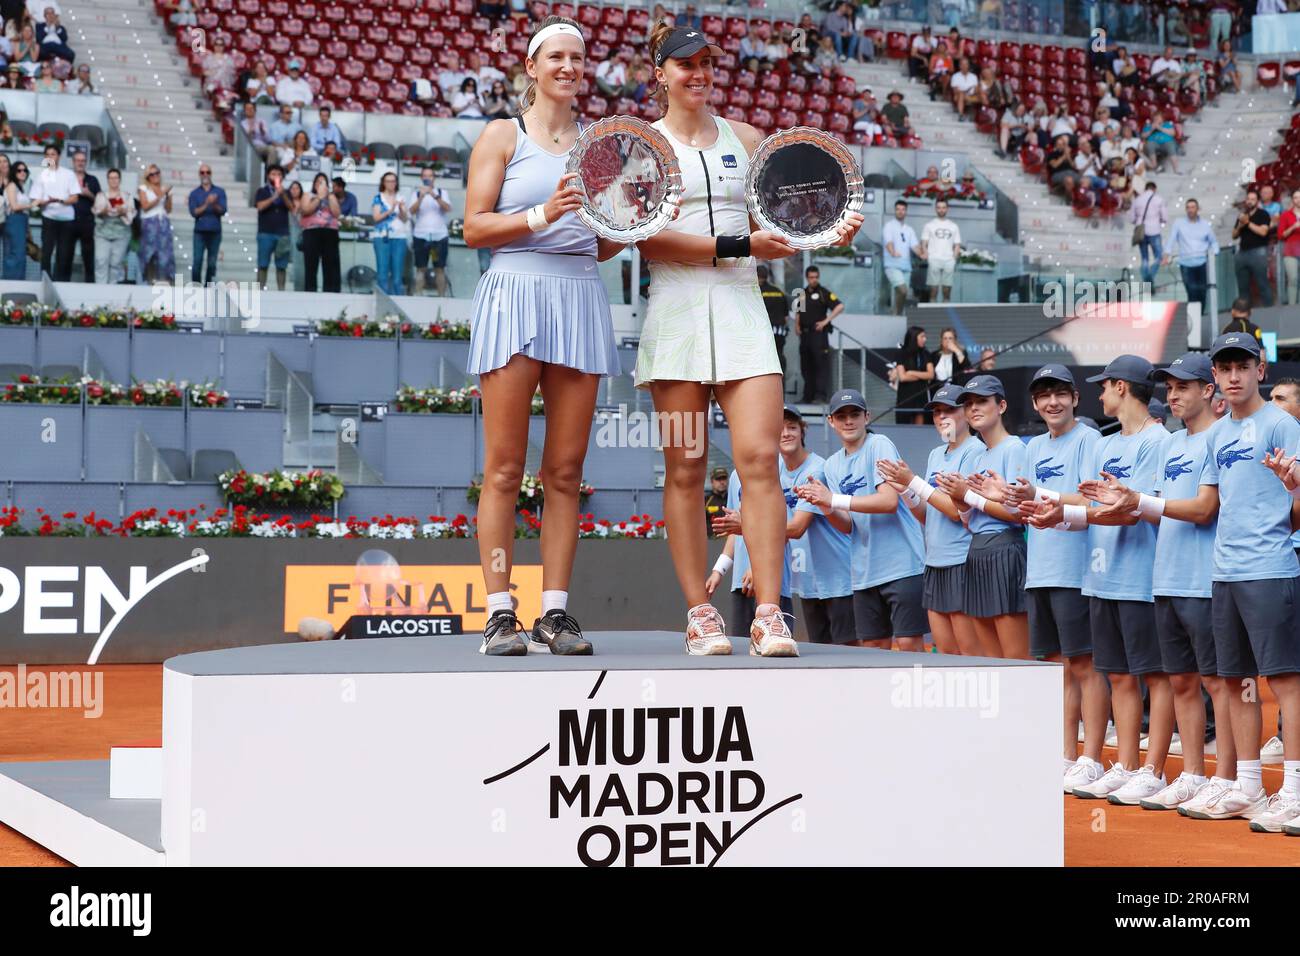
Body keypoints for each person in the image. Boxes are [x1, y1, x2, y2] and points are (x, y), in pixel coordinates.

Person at [634, 24, 859, 658]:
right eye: (685, 65)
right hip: (675, 321)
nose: (698, 74)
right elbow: (643, 237)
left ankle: (767, 614)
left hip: (742, 314)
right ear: (661, 74)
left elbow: (780, 224)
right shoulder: (643, 146)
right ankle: (700, 613)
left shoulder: (750, 140)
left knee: (759, 461)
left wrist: (828, 231)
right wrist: (739, 245)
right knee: (685, 468)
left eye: (707, 63)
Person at [462, 15, 624, 656]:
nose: (568, 67)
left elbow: (606, 244)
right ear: (531, 67)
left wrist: (626, 222)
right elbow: (474, 228)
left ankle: (554, 613)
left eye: (577, 58)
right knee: (503, 469)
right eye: (555, 57)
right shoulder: (502, 134)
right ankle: (500, 611)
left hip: (580, 293)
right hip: (515, 292)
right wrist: (542, 213)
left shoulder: (604, 148)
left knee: (565, 471)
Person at [1079, 353, 1233, 810]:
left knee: (1219, 684)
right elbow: (1145, 505)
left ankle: (1226, 777)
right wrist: (1118, 503)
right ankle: (1191, 773)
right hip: (1165, 579)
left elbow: (1205, 509)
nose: (1174, 394)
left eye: (1184, 386)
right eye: (1170, 387)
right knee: (1183, 682)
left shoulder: (1218, 439)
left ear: (1208, 390)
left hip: (1205, 579)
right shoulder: (1171, 445)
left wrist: (1141, 502)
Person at [1023, 356, 1170, 799]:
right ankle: (1123, 764)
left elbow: (1128, 511)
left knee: (1159, 677)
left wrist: (1062, 514)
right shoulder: (1109, 444)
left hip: (1141, 576)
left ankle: (1153, 769)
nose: (1099, 395)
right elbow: (1093, 502)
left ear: (1121, 387)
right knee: (1120, 675)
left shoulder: (1156, 441)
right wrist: (1048, 507)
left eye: (1103, 387)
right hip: (1101, 577)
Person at [989, 366, 1109, 790]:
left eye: (1060, 394)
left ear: (1076, 398)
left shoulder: (1090, 440)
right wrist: (1004, 498)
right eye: (1043, 396)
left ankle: (1092, 757)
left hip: (1077, 570)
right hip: (1039, 569)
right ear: (1036, 404)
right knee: (1058, 667)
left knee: (1087, 665)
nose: (1051, 403)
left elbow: (1090, 497)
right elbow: (1026, 504)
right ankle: (1066, 753)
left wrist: (1037, 495)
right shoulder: (1033, 446)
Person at [795, 389, 927, 652]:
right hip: (864, 572)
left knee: (908, 645)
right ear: (831, 422)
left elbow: (888, 502)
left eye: (854, 414)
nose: (848, 421)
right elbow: (846, 525)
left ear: (867, 417)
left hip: (903, 565)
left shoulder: (879, 444)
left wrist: (833, 500)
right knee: (873, 648)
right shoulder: (832, 465)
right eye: (841, 416)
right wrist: (825, 505)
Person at [878, 383, 983, 655]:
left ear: (966, 413)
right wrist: (905, 490)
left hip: (962, 561)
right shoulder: (936, 454)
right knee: (945, 655)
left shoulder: (975, 451)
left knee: (970, 657)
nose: (941, 417)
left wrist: (911, 480)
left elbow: (955, 511)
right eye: (937, 412)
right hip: (934, 562)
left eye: (949, 409)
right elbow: (927, 514)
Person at [928, 375, 1029, 659]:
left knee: (1015, 660)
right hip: (977, 552)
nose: (974, 408)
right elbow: (967, 519)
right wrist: (960, 498)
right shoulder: (978, 457)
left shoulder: (1015, 448)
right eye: (969, 403)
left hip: (1005, 549)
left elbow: (1019, 513)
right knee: (986, 661)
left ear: (1002, 406)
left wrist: (968, 496)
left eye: (982, 401)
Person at [778, 405, 854, 645]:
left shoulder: (816, 469)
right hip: (809, 582)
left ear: (802, 431)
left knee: (849, 655)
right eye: (779, 428)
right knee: (820, 654)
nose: (786, 433)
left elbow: (797, 527)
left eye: (792, 427)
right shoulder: (774, 470)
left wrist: (747, 526)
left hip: (839, 579)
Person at [708, 463, 795, 636]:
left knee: (777, 647)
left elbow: (781, 530)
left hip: (771, 582)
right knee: (743, 650)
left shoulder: (782, 468)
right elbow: (734, 532)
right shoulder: (735, 476)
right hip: (741, 584)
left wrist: (758, 568)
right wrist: (719, 569)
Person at [28, 143, 78, 280]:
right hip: (48, 217)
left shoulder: (68, 174)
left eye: (53, 154)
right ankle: (45, 280)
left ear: (59, 156)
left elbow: (74, 197)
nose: (50, 157)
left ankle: (60, 282)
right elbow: (35, 199)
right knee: (47, 252)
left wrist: (61, 200)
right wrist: (46, 201)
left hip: (67, 219)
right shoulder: (41, 175)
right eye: (48, 154)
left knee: (63, 253)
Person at [795, 264, 841, 405]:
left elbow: (839, 306)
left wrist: (825, 321)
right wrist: (797, 325)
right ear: (807, 278)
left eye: (815, 277)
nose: (813, 280)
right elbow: (799, 311)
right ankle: (807, 396)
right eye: (811, 277)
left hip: (818, 334)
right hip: (805, 334)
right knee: (806, 365)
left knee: (820, 365)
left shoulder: (823, 292)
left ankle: (820, 396)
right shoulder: (802, 293)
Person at [1164, 197, 1218, 315]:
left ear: (1197, 209)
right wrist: (1166, 255)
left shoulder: (1205, 224)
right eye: (1188, 208)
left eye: (1193, 207)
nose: (1190, 210)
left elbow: (1213, 241)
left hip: (1202, 263)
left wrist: (1215, 252)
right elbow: (1171, 240)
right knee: (1192, 293)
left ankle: (1200, 317)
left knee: (1202, 292)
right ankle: (1194, 319)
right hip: (1186, 264)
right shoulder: (1179, 223)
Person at [409, 164, 451, 296]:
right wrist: (421, 196)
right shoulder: (416, 193)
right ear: (421, 178)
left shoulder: (442, 192)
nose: (427, 178)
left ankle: (441, 299)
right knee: (420, 268)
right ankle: (418, 296)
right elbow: (411, 211)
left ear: (434, 178)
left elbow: (447, 209)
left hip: (439, 236)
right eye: (425, 176)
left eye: (430, 176)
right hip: (421, 235)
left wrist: (434, 195)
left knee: (440, 268)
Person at [299, 171, 340, 292]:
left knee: (330, 264)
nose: (321, 184)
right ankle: (310, 290)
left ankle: (331, 291)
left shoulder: (332, 196)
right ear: (314, 184)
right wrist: (319, 198)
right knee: (311, 263)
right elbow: (305, 210)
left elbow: (337, 213)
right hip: (312, 231)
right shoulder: (308, 195)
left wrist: (330, 197)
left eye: (323, 182)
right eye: (318, 182)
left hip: (330, 232)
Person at [1233, 187, 1274, 308]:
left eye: (1253, 199)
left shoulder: (1263, 214)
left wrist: (1248, 223)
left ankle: (1269, 311)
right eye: (1248, 199)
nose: (1250, 201)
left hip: (1258, 252)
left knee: (1263, 284)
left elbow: (1263, 232)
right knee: (1243, 287)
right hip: (1242, 253)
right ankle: (1244, 314)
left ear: (1257, 201)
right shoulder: (1242, 216)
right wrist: (1240, 225)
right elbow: (1234, 235)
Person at [370, 170, 409, 295]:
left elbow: (405, 219)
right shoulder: (378, 198)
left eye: (393, 181)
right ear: (383, 183)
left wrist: (402, 209)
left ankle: (398, 306)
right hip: (382, 237)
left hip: (399, 237)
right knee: (383, 273)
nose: (391, 184)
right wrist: (391, 209)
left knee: (397, 274)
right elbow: (376, 218)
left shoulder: (401, 197)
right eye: (388, 181)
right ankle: (383, 306)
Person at [254, 163, 292, 290]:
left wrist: (283, 195)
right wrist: (275, 196)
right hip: (265, 232)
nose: (276, 176)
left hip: (283, 233)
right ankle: (260, 291)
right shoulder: (262, 191)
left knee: (282, 265)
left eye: (279, 174)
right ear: (268, 176)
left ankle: (281, 291)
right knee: (262, 264)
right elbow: (260, 206)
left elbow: (292, 208)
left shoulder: (286, 192)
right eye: (273, 174)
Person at [91, 166, 132, 284]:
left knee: (116, 264)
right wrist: (103, 211)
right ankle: (100, 290)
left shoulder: (127, 196)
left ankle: (112, 292)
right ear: (107, 180)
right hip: (102, 233)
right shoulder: (101, 195)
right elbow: (96, 211)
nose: (114, 180)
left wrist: (123, 211)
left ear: (120, 179)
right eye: (111, 178)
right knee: (101, 261)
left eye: (116, 178)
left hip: (121, 233)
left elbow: (131, 214)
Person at [135, 163, 175, 283]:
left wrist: (167, 196)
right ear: (147, 177)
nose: (155, 176)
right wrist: (161, 195)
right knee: (147, 254)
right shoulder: (143, 188)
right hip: (149, 223)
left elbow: (168, 209)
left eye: (157, 173)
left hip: (163, 223)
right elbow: (145, 206)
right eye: (151, 174)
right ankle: (146, 280)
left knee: (165, 255)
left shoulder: (165, 189)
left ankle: (162, 281)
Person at [187, 162, 225, 284]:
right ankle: (196, 286)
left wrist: (214, 204)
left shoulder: (219, 191)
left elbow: (223, 210)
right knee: (197, 261)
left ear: (211, 174)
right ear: (199, 174)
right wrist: (207, 203)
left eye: (207, 172)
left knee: (212, 262)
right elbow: (194, 212)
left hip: (215, 231)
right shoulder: (194, 193)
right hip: (200, 232)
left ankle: (209, 287)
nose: (205, 175)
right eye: (202, 172)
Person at [890, 325, 933, 425]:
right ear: (914, 337)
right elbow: (903, 377)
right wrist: (922, 376)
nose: (925, 339)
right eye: (922, 336)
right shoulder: (901, 353)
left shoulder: (926, 354)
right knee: (904, 427)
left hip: (921, 395)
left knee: (920, 428)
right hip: (906, 397)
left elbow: (930, 375)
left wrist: (911, 372)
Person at [920, 198, 961, 303]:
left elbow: (957, 244)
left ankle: (945, 315)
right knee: (933, 291)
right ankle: (932, 315)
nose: (941, 210)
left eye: (943, 208)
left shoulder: (953, 226)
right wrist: (927, 256)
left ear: (947, 209)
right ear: (935, 209)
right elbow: (924, 243)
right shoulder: (929, 225)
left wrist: (953, 259)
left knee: (947, 292)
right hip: (934, 259)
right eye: (939, 208)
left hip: (948, 260)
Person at [882, 199, 919, 315]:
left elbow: (915, 246)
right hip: (892, 265)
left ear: (906, 211)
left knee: (902, 293)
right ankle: (896, 314)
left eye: (903, 209)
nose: (900, 212)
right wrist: (892, 252)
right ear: (895, 211)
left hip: (906, 267)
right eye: (898, 209)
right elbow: (888, 243)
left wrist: (923, 254)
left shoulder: (909, 229)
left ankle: (896, 315)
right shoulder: (889, 226)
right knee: (902, 290)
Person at [66, 148, 97, 282]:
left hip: (87, 223)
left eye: (83, 161)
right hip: (68, 221)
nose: (80, 163)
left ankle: (90, 286)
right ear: (73, 162)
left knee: (88, 257)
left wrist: (88, 193)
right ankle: (62, 284)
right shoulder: (66, 178)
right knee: (66, 256)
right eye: (78, 160)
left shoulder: (92, 179)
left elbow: (100, 200)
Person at [755, 264, 788, 377]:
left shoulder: (756, 292)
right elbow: (786, 317)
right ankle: (780, 386)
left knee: (763, 363)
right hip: (779, 332)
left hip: (763, 333)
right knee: (778, 359)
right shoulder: (778, 292)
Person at [1131, 181, 1165, 287]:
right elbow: (1165, 218)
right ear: (1154, 189)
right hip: (1154, 230)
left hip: (1141, 231)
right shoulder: (1159, 199)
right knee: (1158, 257)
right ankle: (1149, 276)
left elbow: (1132, 218)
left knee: (1144, 258)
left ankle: (1146, 280)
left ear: (1145, 189)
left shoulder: (1137, 200)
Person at [2, 159, 29, 279]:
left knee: (19, 254)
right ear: (14, 172)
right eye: (19, 170)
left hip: (21, 221)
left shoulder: (21, 187)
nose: (22, 172)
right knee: (15, 255)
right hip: (14, 220)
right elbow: (14, 206)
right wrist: (33, 204)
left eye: (25, 170)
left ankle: (18, 283)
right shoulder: (12, 185)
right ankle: (12, 285)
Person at [1280, 188, 1300, 306]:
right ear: (1292, 200)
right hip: (1291, 252)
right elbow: (1281, 235)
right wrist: (1293, 227)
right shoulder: (1286, 215)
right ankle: (1292, 307)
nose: (1298, 200)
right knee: (1292, 279)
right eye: (1296, 197)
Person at [704, 466, 728, 538]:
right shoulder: (705, 500)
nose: (721, 482)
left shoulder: (734, 497)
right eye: (718, 479)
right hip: (711, 541)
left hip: (731, 540)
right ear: (712, 481)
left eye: (724, 478)